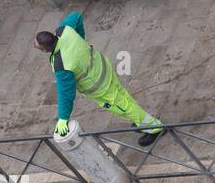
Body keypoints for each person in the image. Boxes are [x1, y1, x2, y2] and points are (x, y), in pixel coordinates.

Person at [36, 10, 163, 147]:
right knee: (123, 96)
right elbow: (76, 16)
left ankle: (155, 128)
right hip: (103, 67)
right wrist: (81, 39)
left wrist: (63, 118)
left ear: (45, 50)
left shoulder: (61, 64)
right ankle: (142, 122)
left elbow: (65, 93)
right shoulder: (64, 30)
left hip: (100, 87)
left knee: (123, 107)